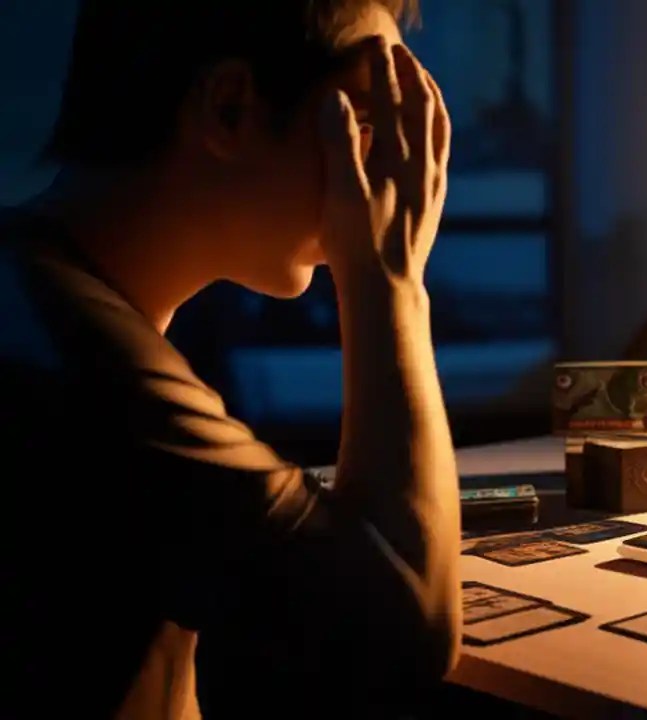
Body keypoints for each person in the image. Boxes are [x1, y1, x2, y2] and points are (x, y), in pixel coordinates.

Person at [0, 1, 461, 717]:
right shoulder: (84, 372)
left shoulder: (34, 294)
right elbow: (400, 629)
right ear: (229, 109)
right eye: (366, 124)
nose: (384, 173)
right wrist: (390, 283)